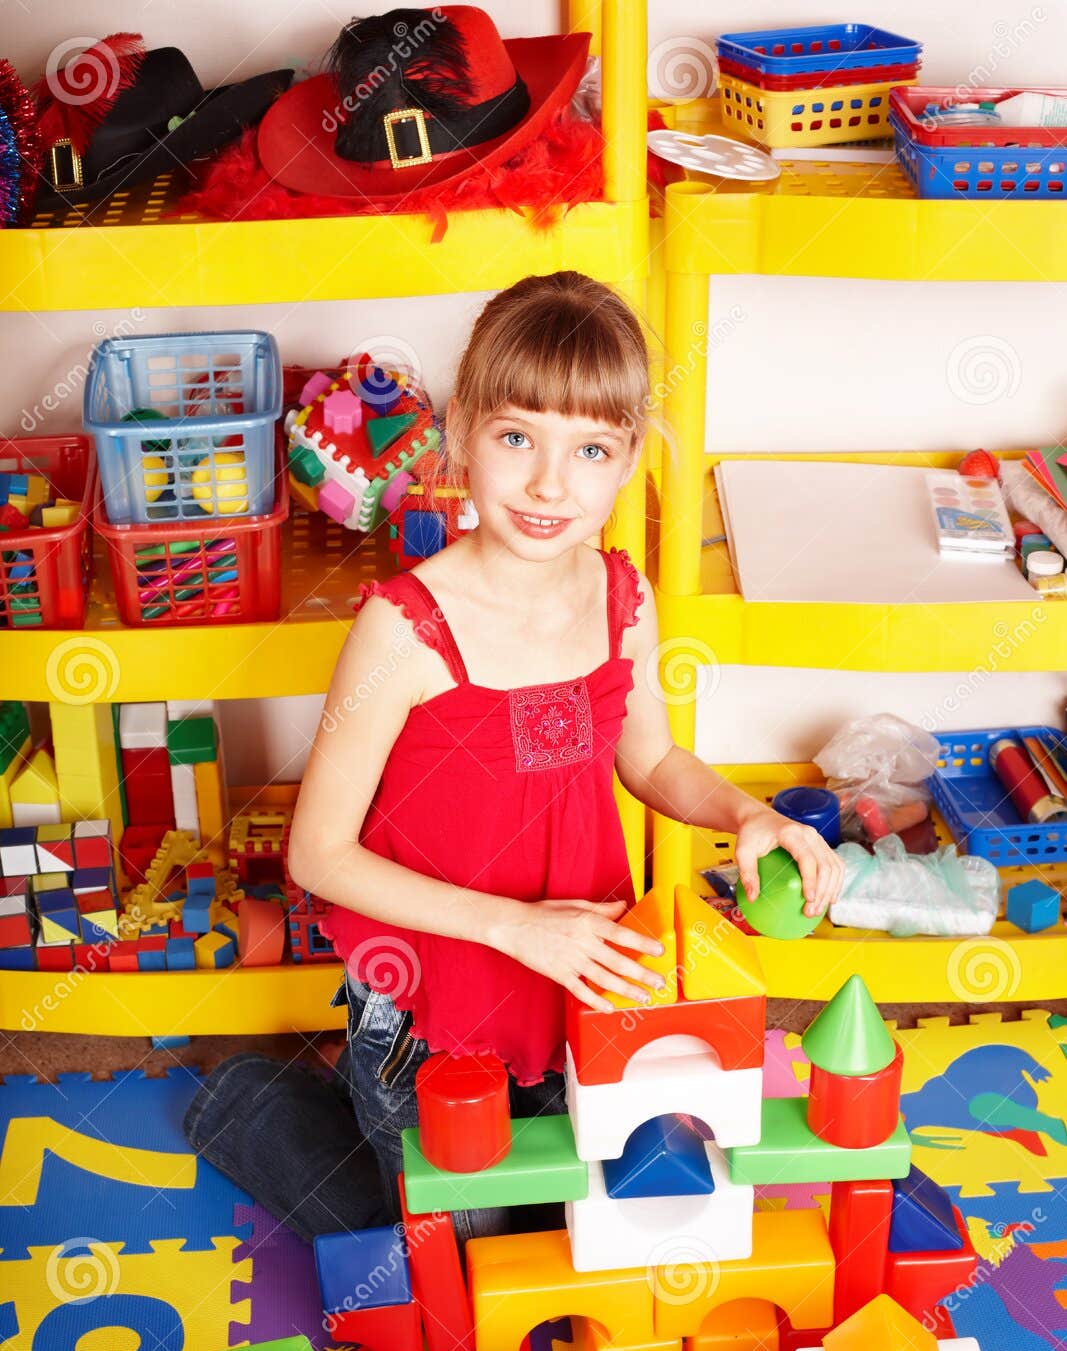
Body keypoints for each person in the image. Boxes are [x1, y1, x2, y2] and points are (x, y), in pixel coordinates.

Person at [185, 270, 843, 1242]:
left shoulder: (623, 598)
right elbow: (317, 856)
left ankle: (361, 1130)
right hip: (430, 1012)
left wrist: (750, 813)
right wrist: (517, 929)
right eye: (515, 438)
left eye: (589, 450)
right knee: (463, 1258)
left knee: (592, 1230)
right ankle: (245, 1102)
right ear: (460, 433)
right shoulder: (402, 629)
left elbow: (652, 761)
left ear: (628, 461)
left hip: (578, 984)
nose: (548, 484)